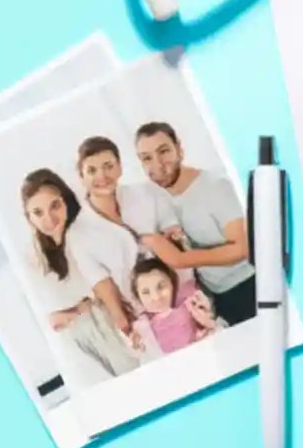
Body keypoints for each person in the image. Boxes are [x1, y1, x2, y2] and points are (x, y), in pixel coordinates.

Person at [132, 121, 257, 325]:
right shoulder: (154, 198)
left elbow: (243, 247)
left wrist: (182, 258)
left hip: (249, 287)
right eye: (147, 158)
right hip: (212, 297)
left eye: (163, 151)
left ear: (179, 149)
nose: (157, 164)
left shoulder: (216, 187)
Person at [20, 168, 140, 378]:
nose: (48, 219)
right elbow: (53, 319)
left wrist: (79, 311)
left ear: (66, 201)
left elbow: (107, 283)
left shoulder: (82, 234)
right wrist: (78, 309)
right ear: (28, 217)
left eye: (54, 206)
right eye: (37, 213)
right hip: (78, 337)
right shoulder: (34, 256)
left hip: (109, 322)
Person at [67, 136, 150, 347]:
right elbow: (100, 281)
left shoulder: (141, 194)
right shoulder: (79, 233)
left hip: (180, 292)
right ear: (81, 176)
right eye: (92, 170)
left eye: (108, 166)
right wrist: (122, 321)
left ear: (120, 167)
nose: (102, 176)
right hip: (142, 314)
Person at [130, 258, 218, 354]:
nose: (156, 297)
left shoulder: (192, 306)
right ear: (138, 297)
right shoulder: (142, 328)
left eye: (161, 286)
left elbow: (215, 336)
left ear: (172, 284)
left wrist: (208, 324)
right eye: (146, 292)